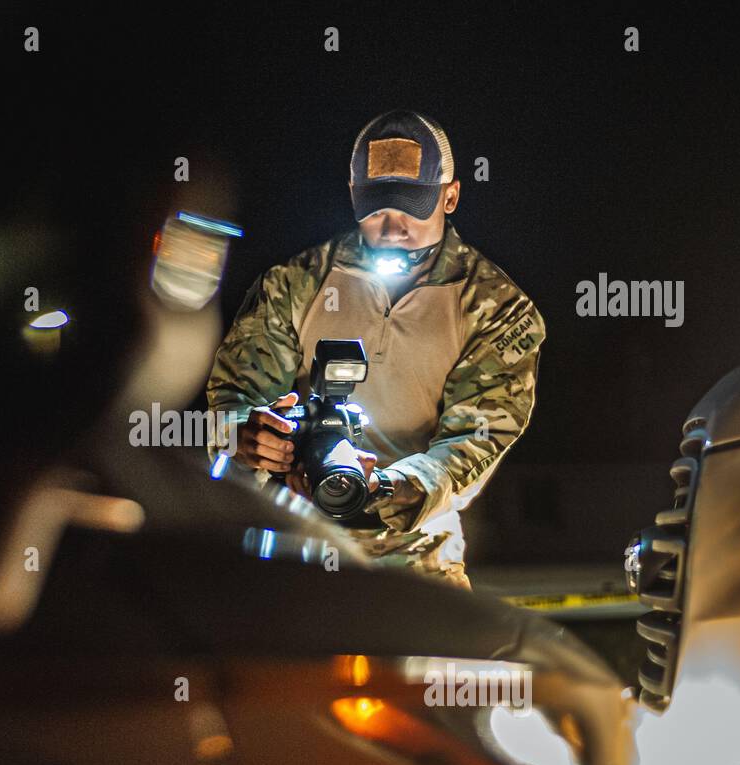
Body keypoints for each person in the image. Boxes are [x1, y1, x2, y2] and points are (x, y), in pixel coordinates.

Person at [207, 109, 546, 589]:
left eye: (412, 205)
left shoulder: (497, 308)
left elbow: (480, 434)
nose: (392, 227)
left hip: (420, 562)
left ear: (450, 196)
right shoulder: (296, 283)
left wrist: (387, 486)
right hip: (293, 550)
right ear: (352, 196)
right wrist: (248, 435)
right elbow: (232, 399)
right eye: (376, 208)